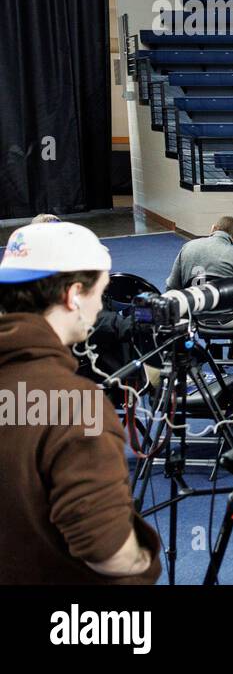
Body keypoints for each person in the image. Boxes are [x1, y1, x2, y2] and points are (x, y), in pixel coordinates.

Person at [0, 222, 162, 584]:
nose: (100, 305)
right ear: (74, 295)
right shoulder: (76, 404)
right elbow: (109, 553)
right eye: (101, 294)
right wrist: (144, 561)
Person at [165, 215, 233, 328]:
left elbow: (171, 286)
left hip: (195, 315)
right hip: (230, 317)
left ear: (213, 228)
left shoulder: (188, 247)